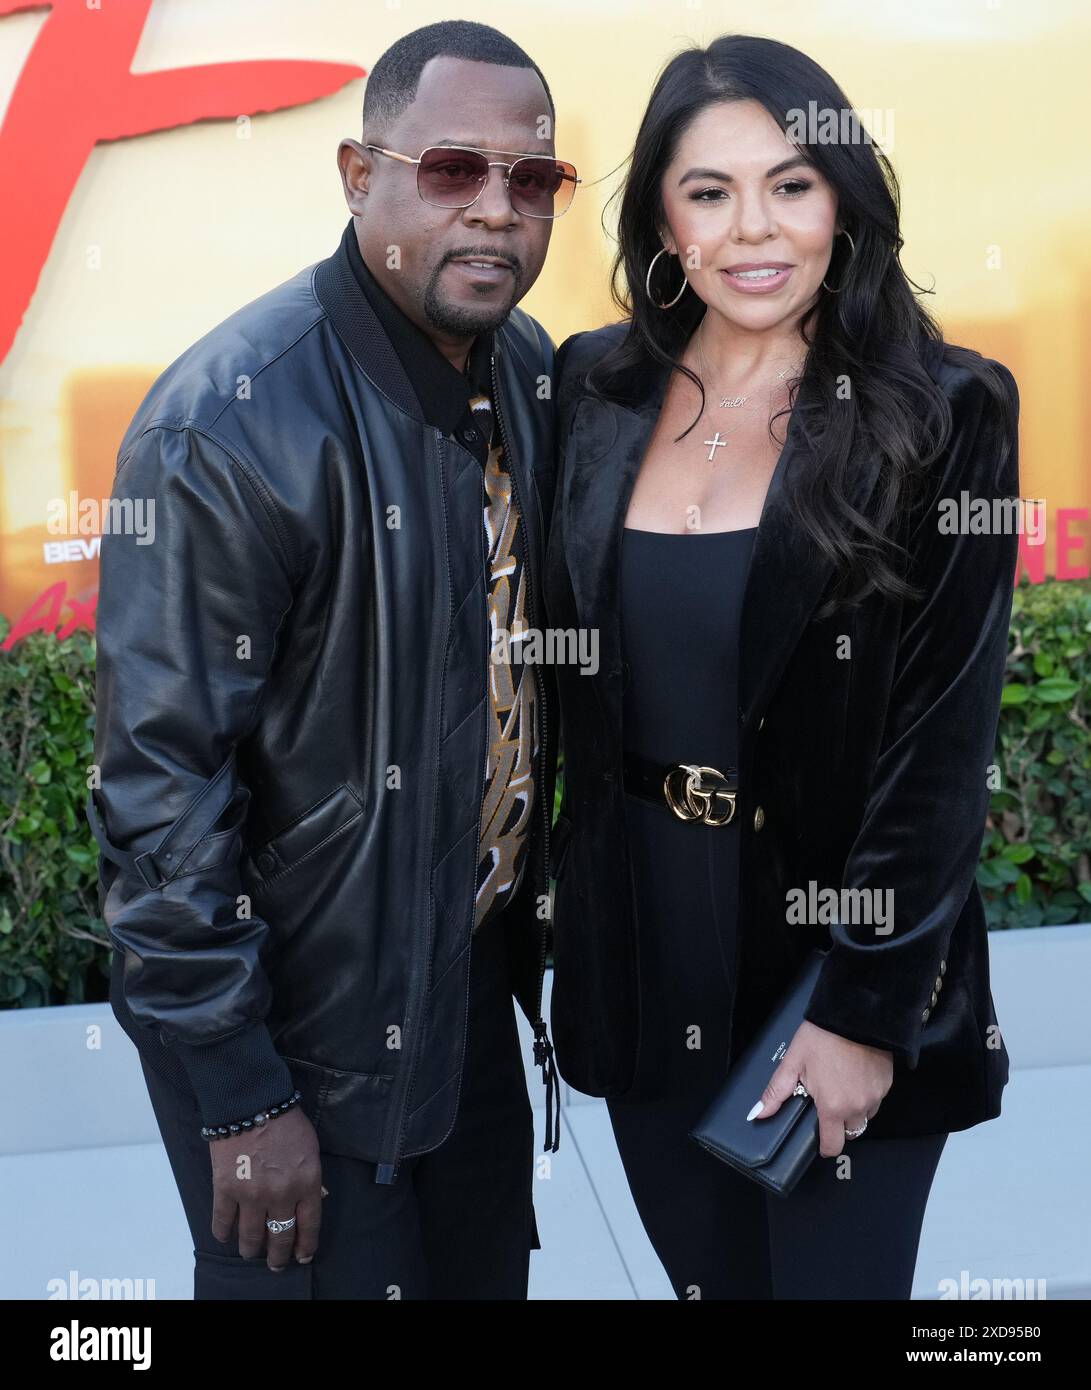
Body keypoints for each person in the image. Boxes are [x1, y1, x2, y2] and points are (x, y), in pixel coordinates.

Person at [87, 19, 578, 1299]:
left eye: (530, 181)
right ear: (362, 176)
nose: (496, 212)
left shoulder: (524, 373)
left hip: (464, 996)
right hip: (296, 1034)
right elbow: (158, 790)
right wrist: (239, 1096)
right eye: (452, 170)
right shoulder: (230, 424)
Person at [544, 34, 1019, 1300]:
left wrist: (865, 1014)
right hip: (644, 968)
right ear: (660, 213)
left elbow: (937, 755)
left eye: (792, 184)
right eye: (708, 191)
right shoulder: (589, 390)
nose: (753, 228)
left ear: (844, 199)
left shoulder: (945, 411)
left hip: (833, 971)